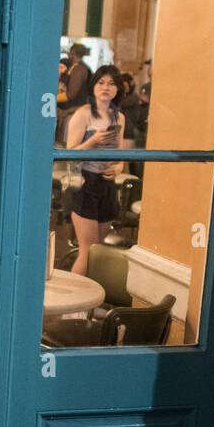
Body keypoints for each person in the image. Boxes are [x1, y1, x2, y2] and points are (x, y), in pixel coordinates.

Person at [65, 65, 132, 276]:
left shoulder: (119, 117)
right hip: (85, 183)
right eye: (101, 82)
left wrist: (119, 167)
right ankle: (74, 308)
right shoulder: (83, 114)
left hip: (107, 185)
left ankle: (92, 305)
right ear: (93, 86)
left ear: (118, 89)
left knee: (99, 250)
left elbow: (118, 154)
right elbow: (70, 154)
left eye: (112, 84)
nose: (106, 87)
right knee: (88, 251)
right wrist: (93, 140)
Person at [56, 42, 92, 146]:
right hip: (70, 112)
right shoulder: (77, 67)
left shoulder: (79, 69)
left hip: (73, 113)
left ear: (73, 53)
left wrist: (54, 99)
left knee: (67, 145)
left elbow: (71, 94)